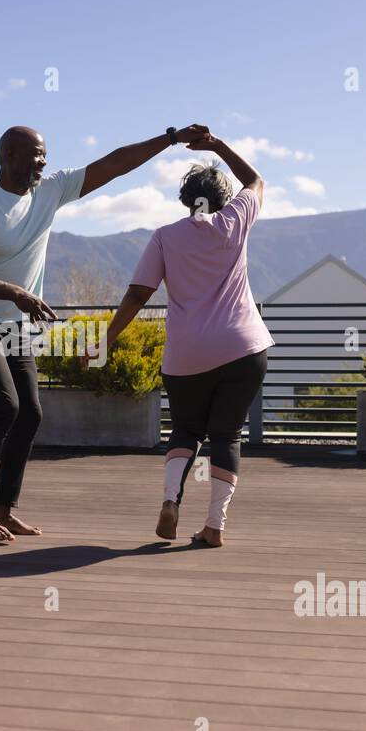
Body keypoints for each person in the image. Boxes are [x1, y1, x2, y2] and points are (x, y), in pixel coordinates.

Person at [0, 123, 211, 543]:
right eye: (36, 155)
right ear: (8, 156)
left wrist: (170, 138)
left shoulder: (49, 191)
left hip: (14, 321)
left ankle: (2, 507)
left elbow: (114, 165)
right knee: (3, 408)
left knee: (29, 412)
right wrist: (15, 292)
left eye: (45, 155)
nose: (44, 162)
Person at [93, 133, 271, 547]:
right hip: (243, 348)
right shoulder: (235, 219)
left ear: (186, 201)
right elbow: (257, 180)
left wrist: (104, 340)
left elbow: (138, 293)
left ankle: (171, 500)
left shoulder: (165, 236)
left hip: (187, 354)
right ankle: (214, 525)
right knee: (226, 436)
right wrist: (217, 146)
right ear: (224, 199)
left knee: (185, 431)